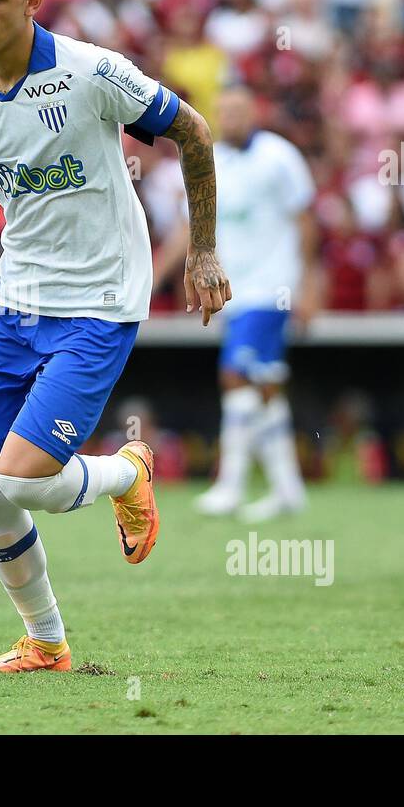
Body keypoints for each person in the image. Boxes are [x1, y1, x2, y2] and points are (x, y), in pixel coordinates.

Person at [0, 0, 230, 674]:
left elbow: (194, 132)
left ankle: (128, 472)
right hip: (18, 298)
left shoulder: (91, 73)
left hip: (102, 296)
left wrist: (204, 250)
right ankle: (47, 645)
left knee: (23, 477)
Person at [161, 86, 318, 523]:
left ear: (255, 112)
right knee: (264, 385)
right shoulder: (204, 160)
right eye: (224, 112)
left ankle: (230, 485)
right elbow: (187, 229)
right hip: (233, 289)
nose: (231, 119)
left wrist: (308, 284)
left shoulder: (279, 156)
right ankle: (287, 489)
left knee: (234, 375)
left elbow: (305, 222)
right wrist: (155, 275)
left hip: (272, 287)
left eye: (239, 111)